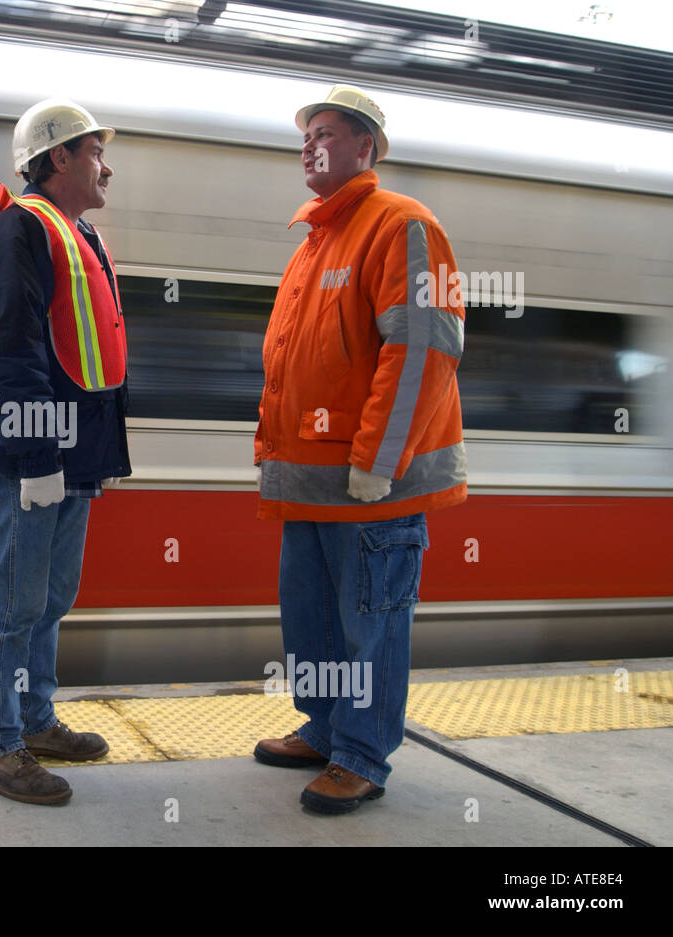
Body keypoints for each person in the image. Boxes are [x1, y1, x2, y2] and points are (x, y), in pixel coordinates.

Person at [252, 85, 467, 814]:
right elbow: (291, 363)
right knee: (311, 619)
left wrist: (378, 462)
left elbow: (423, 347)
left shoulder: (403, 225)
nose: (310, 145)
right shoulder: (315, 243)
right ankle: (325, 726)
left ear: (366, 146)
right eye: (304, 136)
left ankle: (363, 753)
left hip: (371, 485)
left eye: (326, 132)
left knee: (370, 621)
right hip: (308, 482)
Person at [0, 99, 131, 805]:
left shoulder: (80, 235)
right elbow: (8, 350)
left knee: (49, 598)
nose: (107, 165)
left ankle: (33, 719)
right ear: (57, 159)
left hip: (70, 456)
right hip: (29, 454)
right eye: (94, 152)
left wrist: (89, 456)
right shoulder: (19, 228)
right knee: (12, 601)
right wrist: (40, 454)